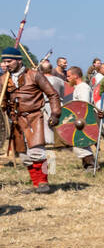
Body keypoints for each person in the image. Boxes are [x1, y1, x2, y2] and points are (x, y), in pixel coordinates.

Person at [1, 45, 60, 193]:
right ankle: (35, 184)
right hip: (16, 120)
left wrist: (55, 114)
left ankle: (44, 183)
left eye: (9, 61)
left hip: (35, 117)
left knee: (37, 152)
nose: (6, 65)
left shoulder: (34, 75)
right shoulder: (3, 79)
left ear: (19, 61)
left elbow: (53, 95)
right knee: (24, 156)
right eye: (4, 62)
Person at [65, 66, 96, 170]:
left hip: (84, 120)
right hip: (79, 120)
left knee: (80, 143)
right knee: (79, 143)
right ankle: (88, 165)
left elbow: (84, 105)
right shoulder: (78, 87)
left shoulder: (83, 87)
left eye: (69, 76)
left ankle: (91, 165)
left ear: (75, 76)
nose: (67, 78)